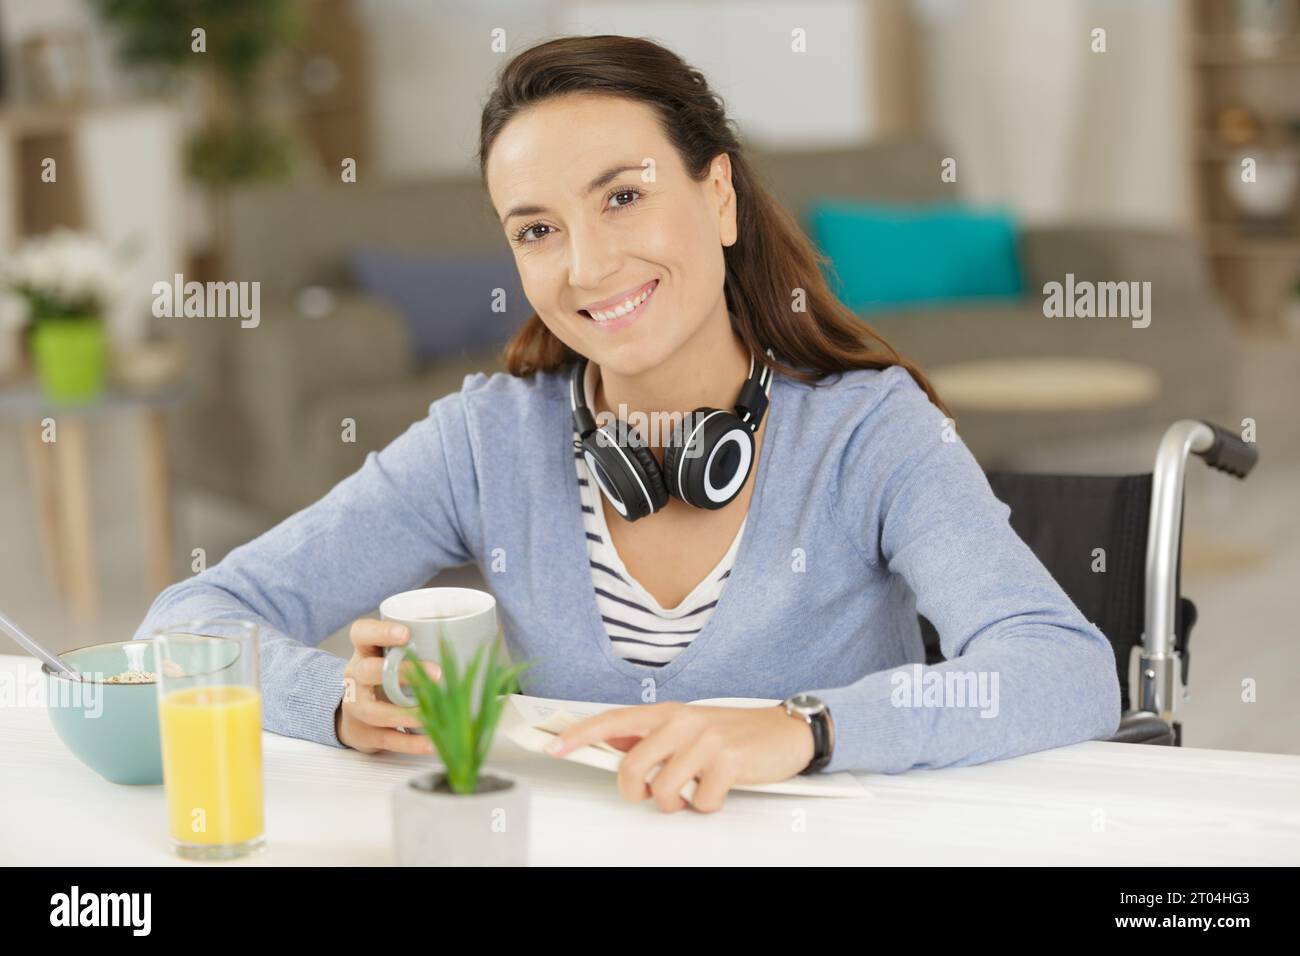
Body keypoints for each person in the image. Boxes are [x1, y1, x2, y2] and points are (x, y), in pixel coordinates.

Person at [133, 35, 1119, 814]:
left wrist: (802, 729)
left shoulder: (866, 432)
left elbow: (1061, 668)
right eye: (537, 229)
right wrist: (338, 705)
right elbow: (188, 623)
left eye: (624, 197)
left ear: (718, 196)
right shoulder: (487, 441)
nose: (588, 265)